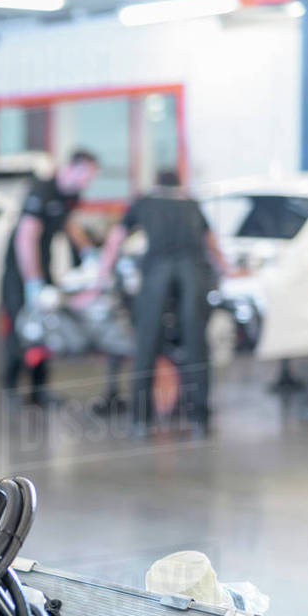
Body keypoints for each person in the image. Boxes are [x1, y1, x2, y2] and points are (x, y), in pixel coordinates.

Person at [94, 168, 230, 436]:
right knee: (196, 344)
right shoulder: (191, 204)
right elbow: (211, 243)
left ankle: (140, 421)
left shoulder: (144, 201)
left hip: (157, 272)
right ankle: (199, 420)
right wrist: (228, 270)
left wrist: (101, 275)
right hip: (193, 273)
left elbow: (116, 239)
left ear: (156, 184)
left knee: (146, 344)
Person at [0, 150, 99, 406]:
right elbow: (26, 238)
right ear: (72, 167)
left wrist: (88, 251)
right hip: (20, 272)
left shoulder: (69, 195)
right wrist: (33, 283)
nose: (88, 181)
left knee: (46, 330)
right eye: (87, 174)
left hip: (44, 269)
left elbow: (68, 224)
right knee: (22, 330)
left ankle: (39, 391)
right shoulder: (42, 190)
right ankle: (10, 391)